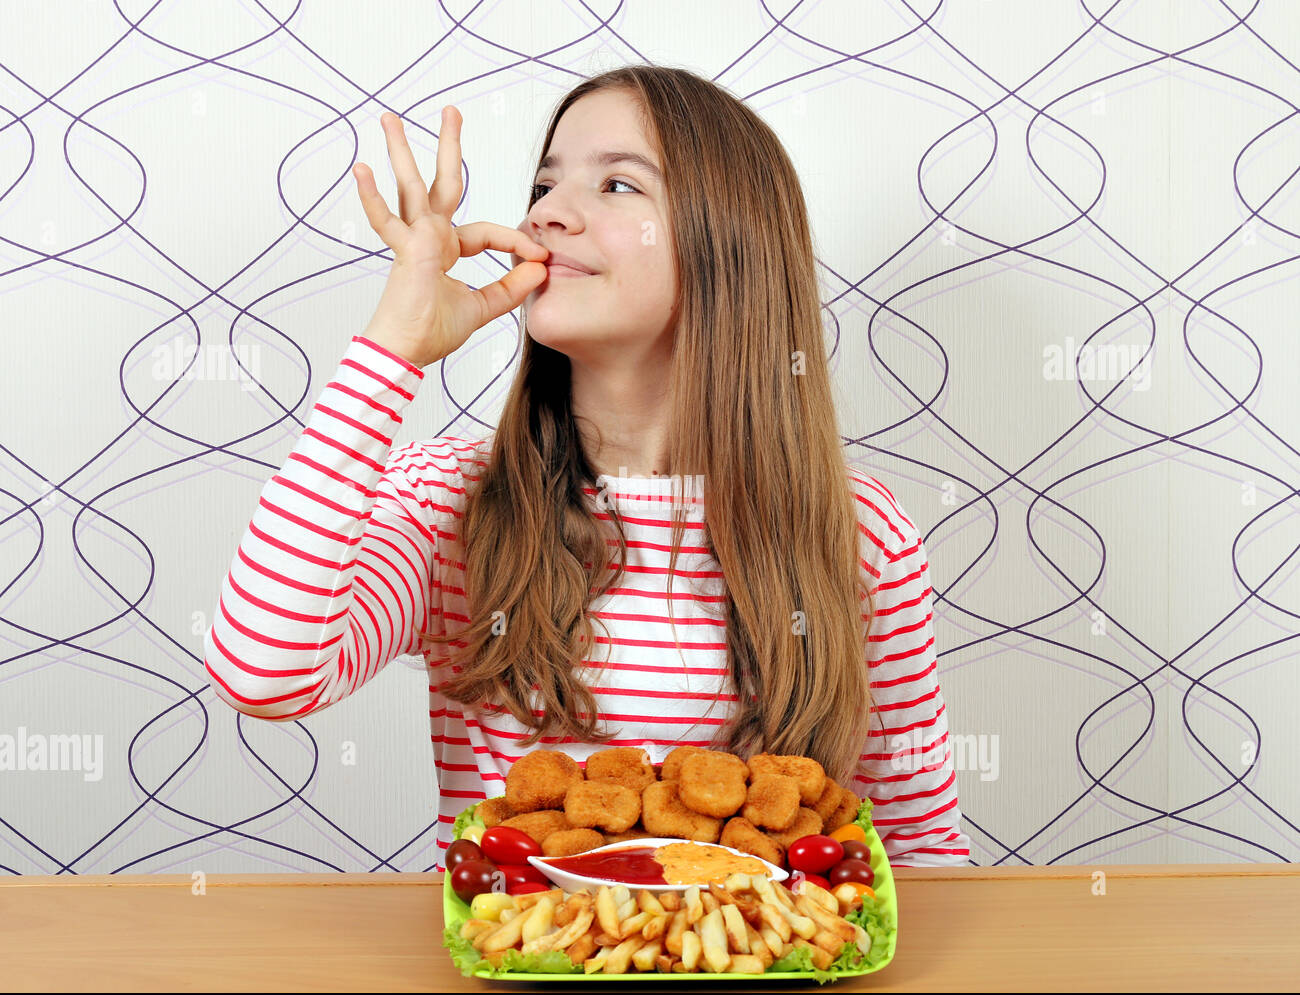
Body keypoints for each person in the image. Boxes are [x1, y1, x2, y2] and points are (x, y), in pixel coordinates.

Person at [203, 65, 972, 869]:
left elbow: (919, 850)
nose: (546, 213)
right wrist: (394, 345)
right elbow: (264, 674)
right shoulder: (449, 500)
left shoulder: (858, 530)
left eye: (614, 184)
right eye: (544, 182)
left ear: (729, 243)